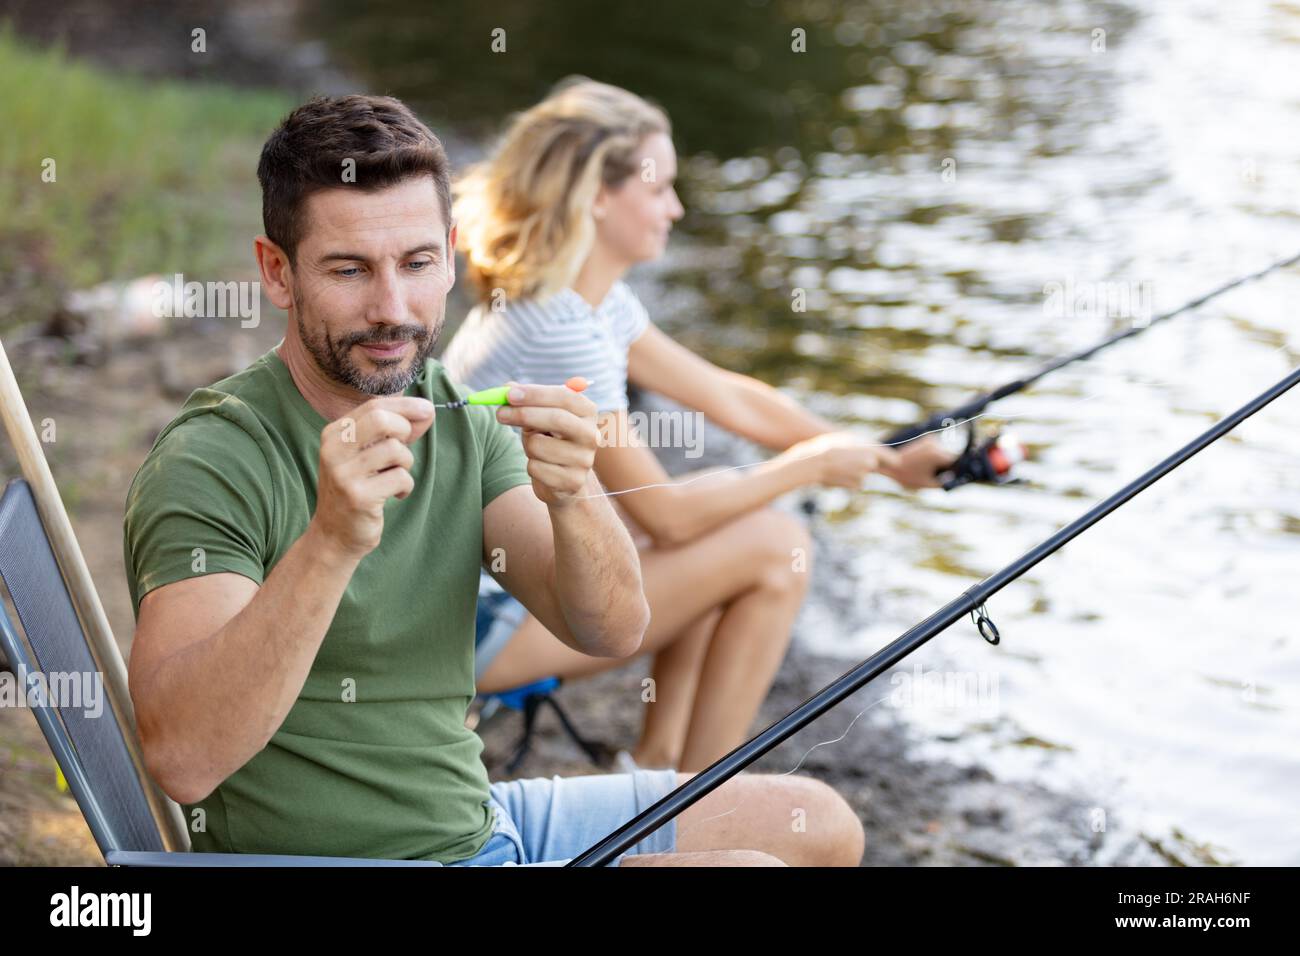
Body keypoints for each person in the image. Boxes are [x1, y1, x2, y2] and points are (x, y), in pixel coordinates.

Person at [122, 93, 865, 866]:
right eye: (349, 270)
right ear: (277, 273)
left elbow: (610, 629)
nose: (392, 308)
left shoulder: (458, 413)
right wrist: (332, 540)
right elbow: (184, 759)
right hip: (369, 857)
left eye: (415, 264)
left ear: (448, 254)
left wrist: (577, 494)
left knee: (819, 822)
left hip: (476, 821)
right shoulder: (213, 458)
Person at [442, 78, 956, 773]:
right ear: (597, 192)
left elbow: (729, 397)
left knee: (735, 516)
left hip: (496, 600)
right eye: (660, 189)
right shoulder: (561, 329)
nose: (675, 208)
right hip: (472, 628)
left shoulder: (584, 302)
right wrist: (806, 467)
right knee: (774, 546)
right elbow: (669, 520)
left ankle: (657, 778)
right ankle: (700, 809)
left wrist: (886, 459)